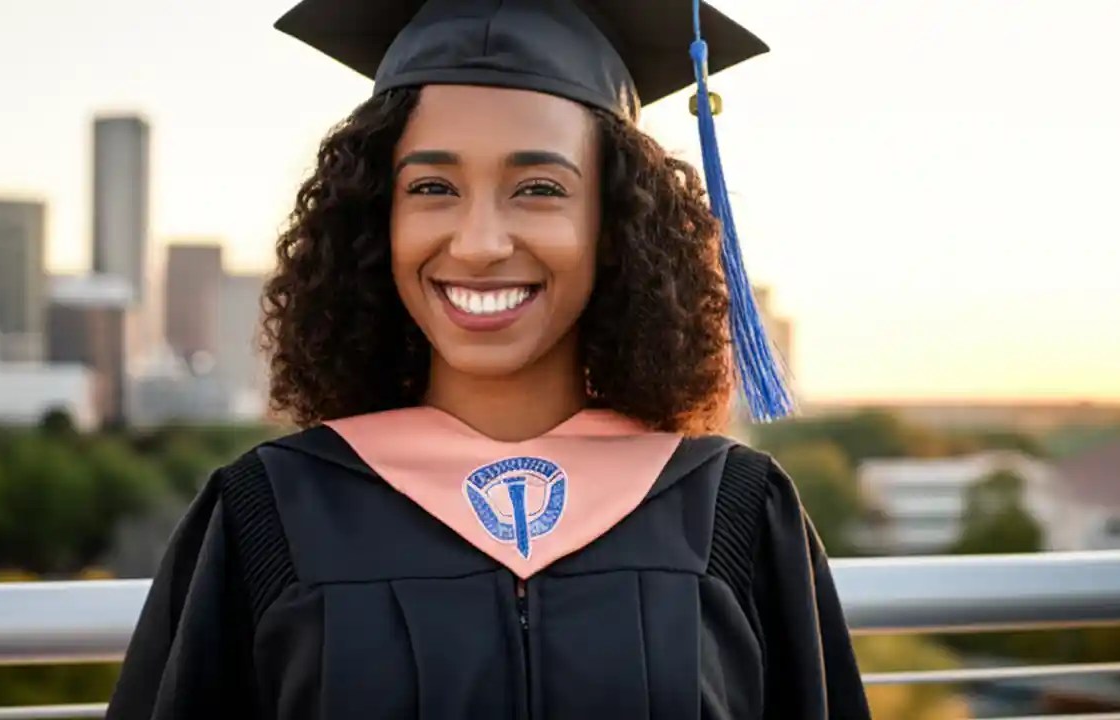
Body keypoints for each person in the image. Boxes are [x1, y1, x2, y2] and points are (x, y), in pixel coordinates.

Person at [105, 0, 873, 718]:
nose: (477, 244)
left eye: (539, 188)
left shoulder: (731, 512)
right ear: (378, 219)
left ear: (617, 223)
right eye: (433, 187)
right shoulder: (266, 515)